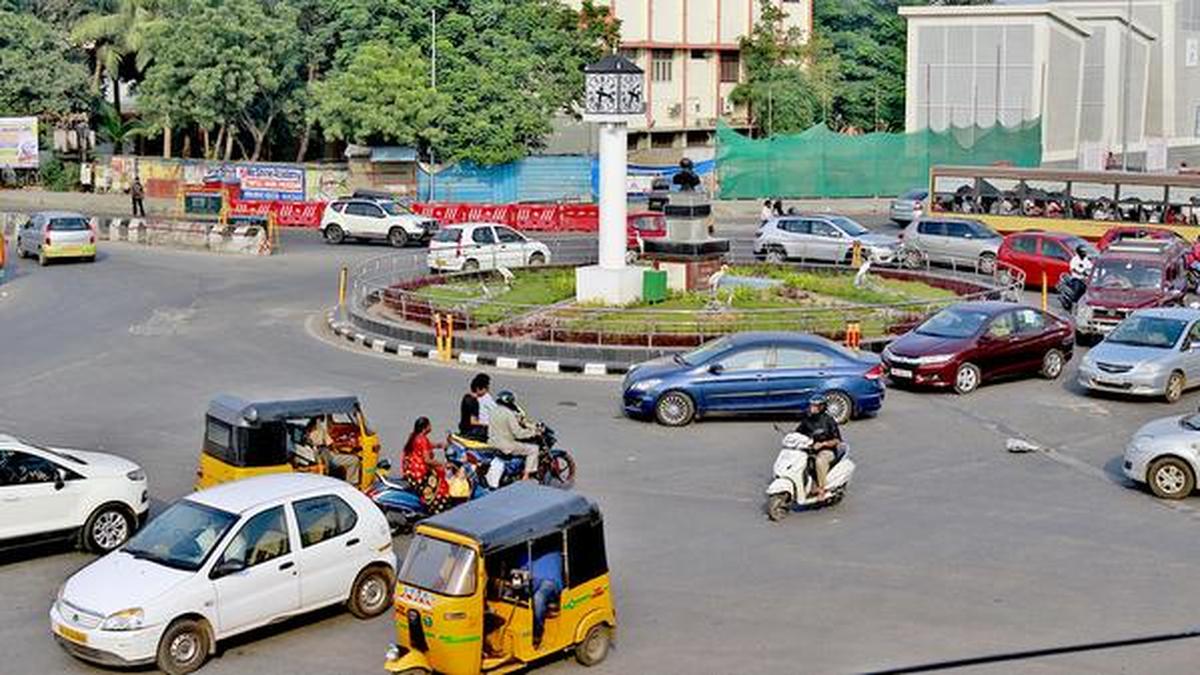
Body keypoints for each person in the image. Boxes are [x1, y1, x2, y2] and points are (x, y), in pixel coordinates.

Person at [794, 396, 841, 500]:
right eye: (811, 405)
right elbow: (797, 433)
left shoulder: (828, 420)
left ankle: (822, 488)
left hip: (827, 451)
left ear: (821, 407)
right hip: (809, 450)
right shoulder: (807, 420)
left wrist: (823, 444)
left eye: (815, 406)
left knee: (820, 461)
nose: (812, 408)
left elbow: (837, 440)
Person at [487, 391, 541, 480]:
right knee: (534, 449)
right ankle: (526, 476)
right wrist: (533, 433)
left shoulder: (493, 411)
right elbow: (518, 433)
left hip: (492, 443)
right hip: (506, 445)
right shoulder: (509, 414)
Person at [403, 416, 451, 510]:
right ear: (425, 428)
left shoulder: (415, 436)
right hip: (420, 473)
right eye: (429, 424)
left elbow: (427, 446)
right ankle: (435, 507)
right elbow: (427, 460)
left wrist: (439, 445)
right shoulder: (423, 439)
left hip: (411, 470)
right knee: (440, 481)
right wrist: (443, 464)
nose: (431, 426)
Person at [305, 415, 362, 487]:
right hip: (325, 456)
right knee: (354, 460)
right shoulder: (320, 430)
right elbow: (331, 445)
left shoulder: (308, 430)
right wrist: (344, 451)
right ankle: (352, 484)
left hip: (320, 455)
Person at [458, 373, 492, 441]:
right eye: (486, 388)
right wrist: (487, 424)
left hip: (463, 428)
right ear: (478, 389)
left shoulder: (466, 397)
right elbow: (473, 421)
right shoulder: (474, 402)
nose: (488, 391)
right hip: (471, 432)